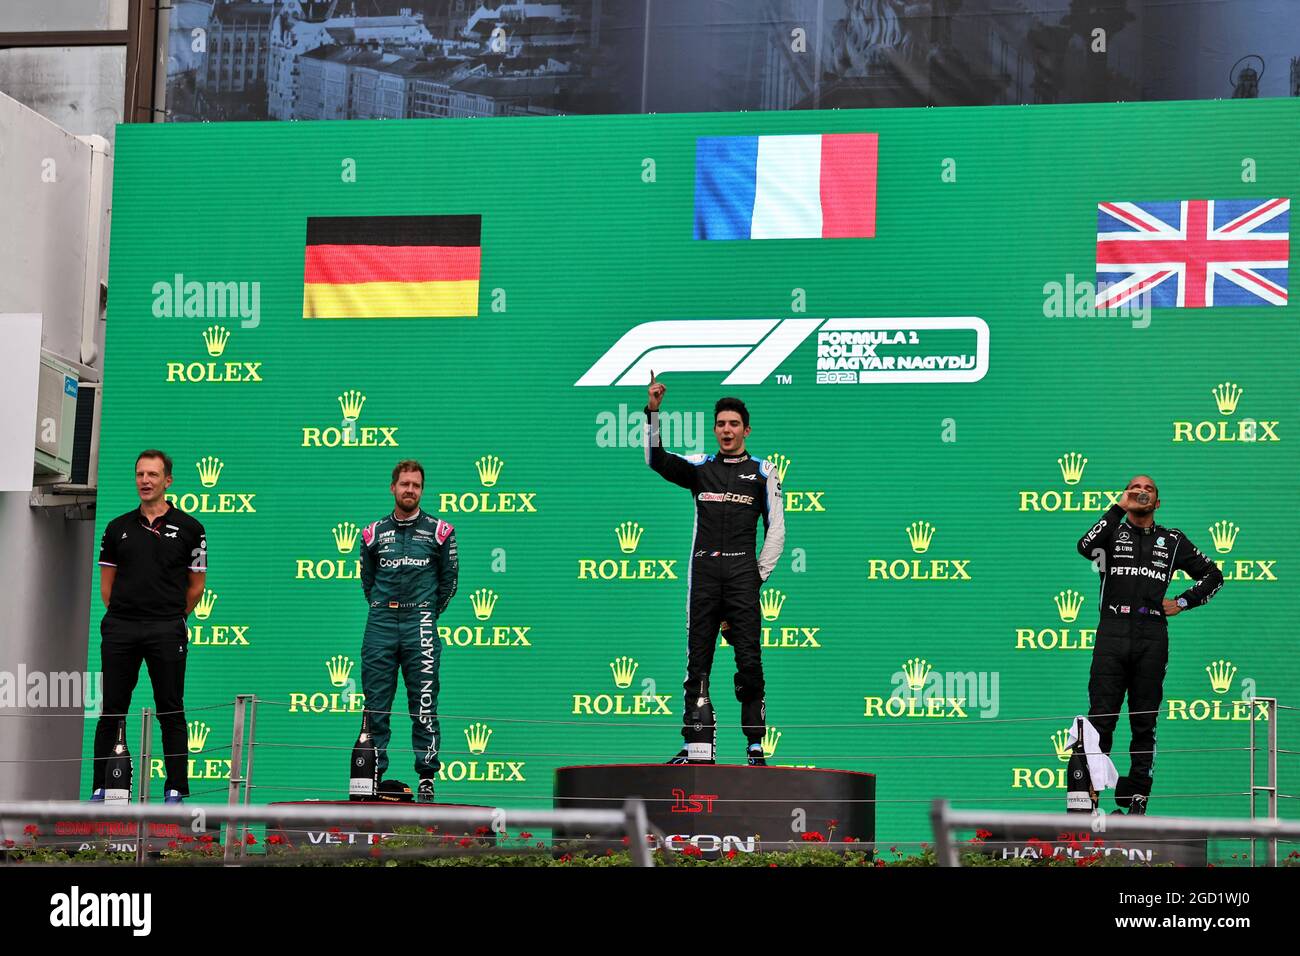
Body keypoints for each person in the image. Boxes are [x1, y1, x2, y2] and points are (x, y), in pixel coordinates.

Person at [644, 375, 785, 766]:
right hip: (704, 573)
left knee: (749, 662)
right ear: (715, 429)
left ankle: (755, 747)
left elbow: (777, 528)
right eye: (721, 424)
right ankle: (697, 747)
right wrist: (653, 412)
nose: (727, 430)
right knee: (698, 661)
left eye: (734, 424)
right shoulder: (700, 467)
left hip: (742, 573)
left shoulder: (763, 471)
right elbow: (658, 460)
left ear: (746, 430)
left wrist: (758, 575)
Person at [1076, 475, 1223, 815]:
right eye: (1134, 487)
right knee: (1101, 719)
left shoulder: (1172, 540)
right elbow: (1085, 547)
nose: (1141, 490)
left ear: (1158, 503)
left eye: (1149, 489)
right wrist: (1118, 507)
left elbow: (1214, 575)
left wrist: (1185, 601)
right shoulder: (1111, 532)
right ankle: (1088, 800)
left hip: (1152, 635)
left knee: (1145, 720)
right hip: (1112, 631)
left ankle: (1138, 802)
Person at [93, 450, 207, 803]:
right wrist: (129, 616)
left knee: (170, 708)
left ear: (167, 481)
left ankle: (175, 791)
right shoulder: (117, 528)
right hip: (121, 628)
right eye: (140, 474)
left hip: (166, 629)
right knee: (112, 707)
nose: (145, 480)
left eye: (153, 475)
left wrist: (169, 617)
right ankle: (99, 788)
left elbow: (196, 587)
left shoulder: (191, 528)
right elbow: (107, 589)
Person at [359, 460, 458, 802]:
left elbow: (449, 583)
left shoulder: (440, 530)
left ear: (422, 490)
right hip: (381, 622)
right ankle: (372, 774)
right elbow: (368, 583)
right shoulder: (371, 533)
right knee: (376, 705)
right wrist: (387, 608)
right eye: (404, 484)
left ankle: (427, 777)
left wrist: (426, 613)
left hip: (421, 624)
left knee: (425, 704)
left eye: (416, 485)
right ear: (393, 488)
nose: (410, 490)